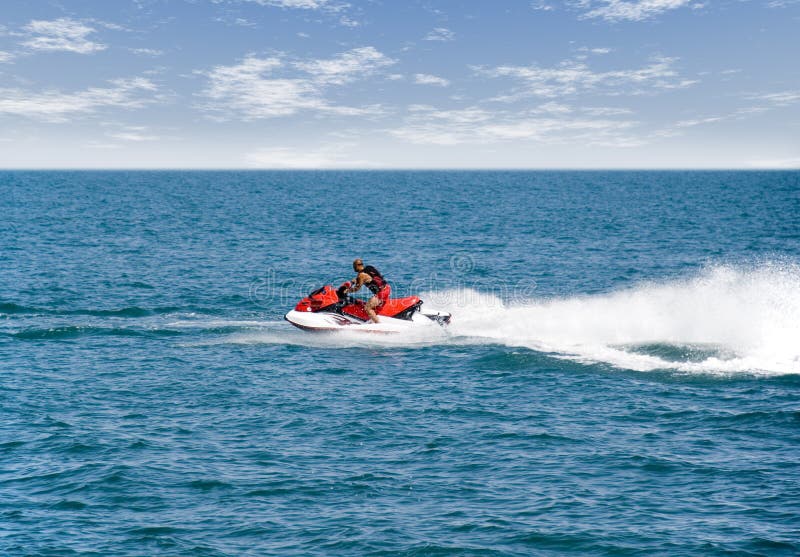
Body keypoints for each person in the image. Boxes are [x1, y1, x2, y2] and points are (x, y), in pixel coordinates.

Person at [347, 258, 390, 323]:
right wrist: (356, 280)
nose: (353, 268)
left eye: (354, 266)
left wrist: (346, 291)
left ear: (357, 265)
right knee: (371, 305)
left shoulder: (361, 275)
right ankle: (374, 317)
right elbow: (370, 277)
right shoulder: (369, 268)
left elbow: (356, 289)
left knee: (367, 308)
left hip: (381, 292)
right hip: (387, 288)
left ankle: (379, 325)